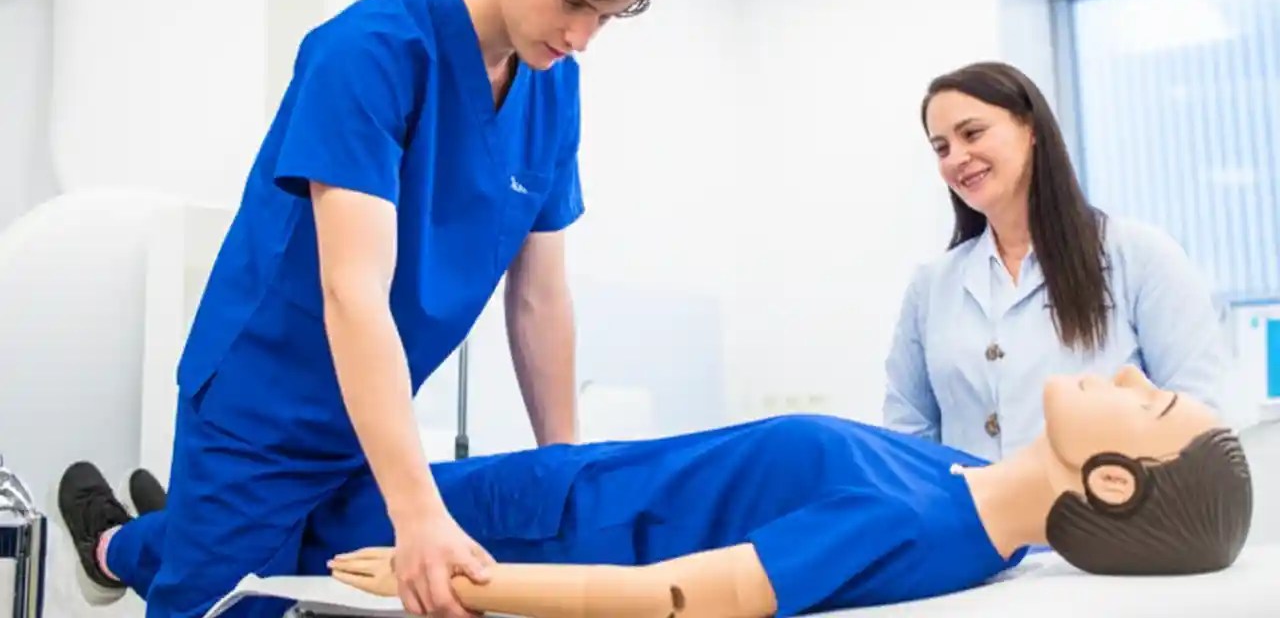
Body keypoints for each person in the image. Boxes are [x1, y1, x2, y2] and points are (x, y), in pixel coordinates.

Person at [54, 0, 666, 617]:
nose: (584, 37)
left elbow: (540, 297)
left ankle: (138, 538)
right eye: (574, 2)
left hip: (373, 415)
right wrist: (417, 515)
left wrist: (566, 477)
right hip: (264, 415)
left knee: (295, 564)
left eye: (607, 18)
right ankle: (112, 547)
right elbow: (354, 289)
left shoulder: (554, 84)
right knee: (233, 597)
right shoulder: (369, 51)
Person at [62, 366, 1252, 618]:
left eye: (1149, 406)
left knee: (310, 530)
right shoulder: (971, 498)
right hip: (577, 482)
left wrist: (477, 583)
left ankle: (118, 552)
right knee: (317, 496)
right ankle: (165, 526)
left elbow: (688, 595)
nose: (1134, 376)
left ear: (1110, 476)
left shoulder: (918, 520)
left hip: (547, 524)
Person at [884, 61, 1229, 461]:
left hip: (1105, 520)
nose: (956, 157)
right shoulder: (931, 286)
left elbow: (1196, 418)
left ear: (1030, 129)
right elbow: (907, 435)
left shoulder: (1140, 256)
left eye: (972, 133)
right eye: (941, 147)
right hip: (968, 519)